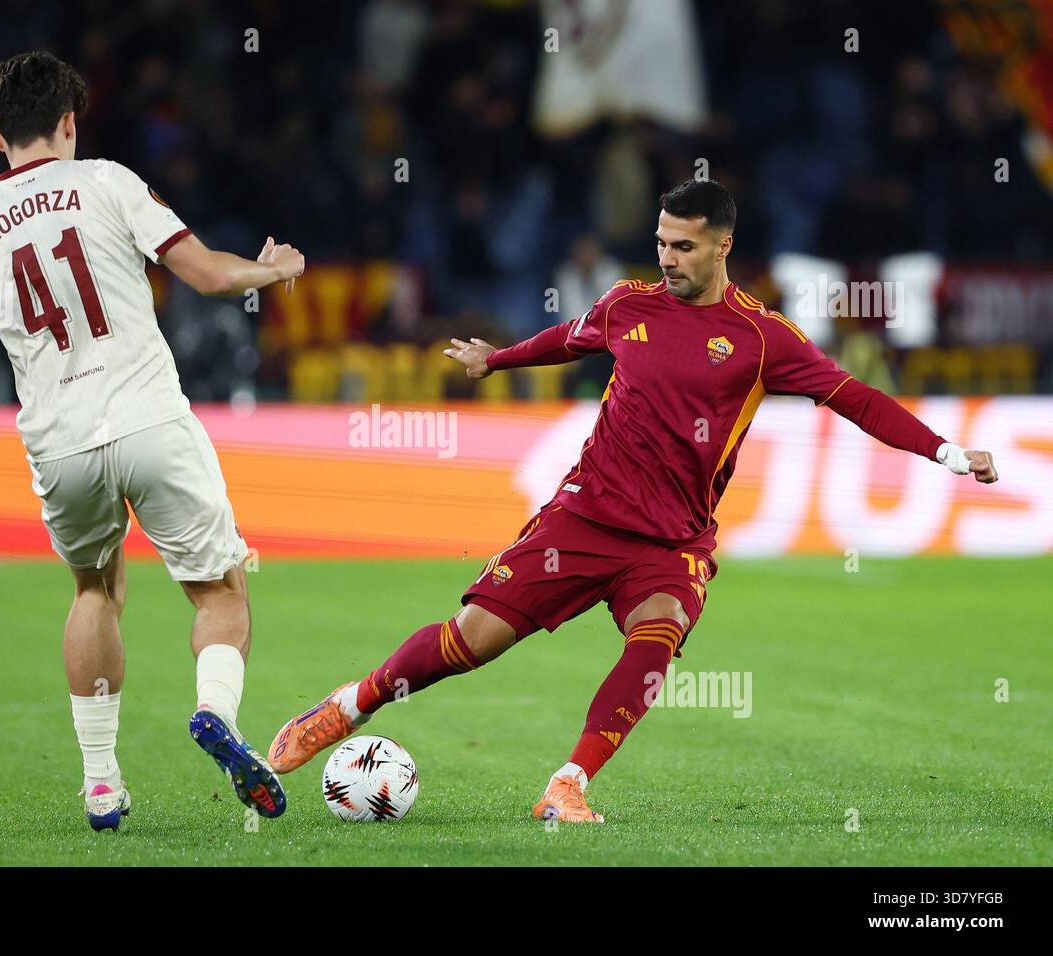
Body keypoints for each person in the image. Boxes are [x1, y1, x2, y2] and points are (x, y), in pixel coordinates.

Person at [265, 178, 997, 823]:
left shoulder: (762, 338)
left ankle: (568, 783)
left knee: (659, 636)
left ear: (722, 247)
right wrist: (498, 358)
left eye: (682, 246)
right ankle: (346, 707)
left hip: (673, 540)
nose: (667, 258)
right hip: (584, 518)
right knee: (469, 643)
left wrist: (948, 452)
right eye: (660, 243)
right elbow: (570, 338)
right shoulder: (627, 305)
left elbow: (856, 399)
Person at [0, 51, 304, 831]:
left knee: (95, 590)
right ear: (69, 123)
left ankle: (101, 781)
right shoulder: (109, 180)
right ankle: (216, 714)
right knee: (219, 590)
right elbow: (206, 274)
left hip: (59, 444)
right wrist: (270, 272)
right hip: (149, 419)